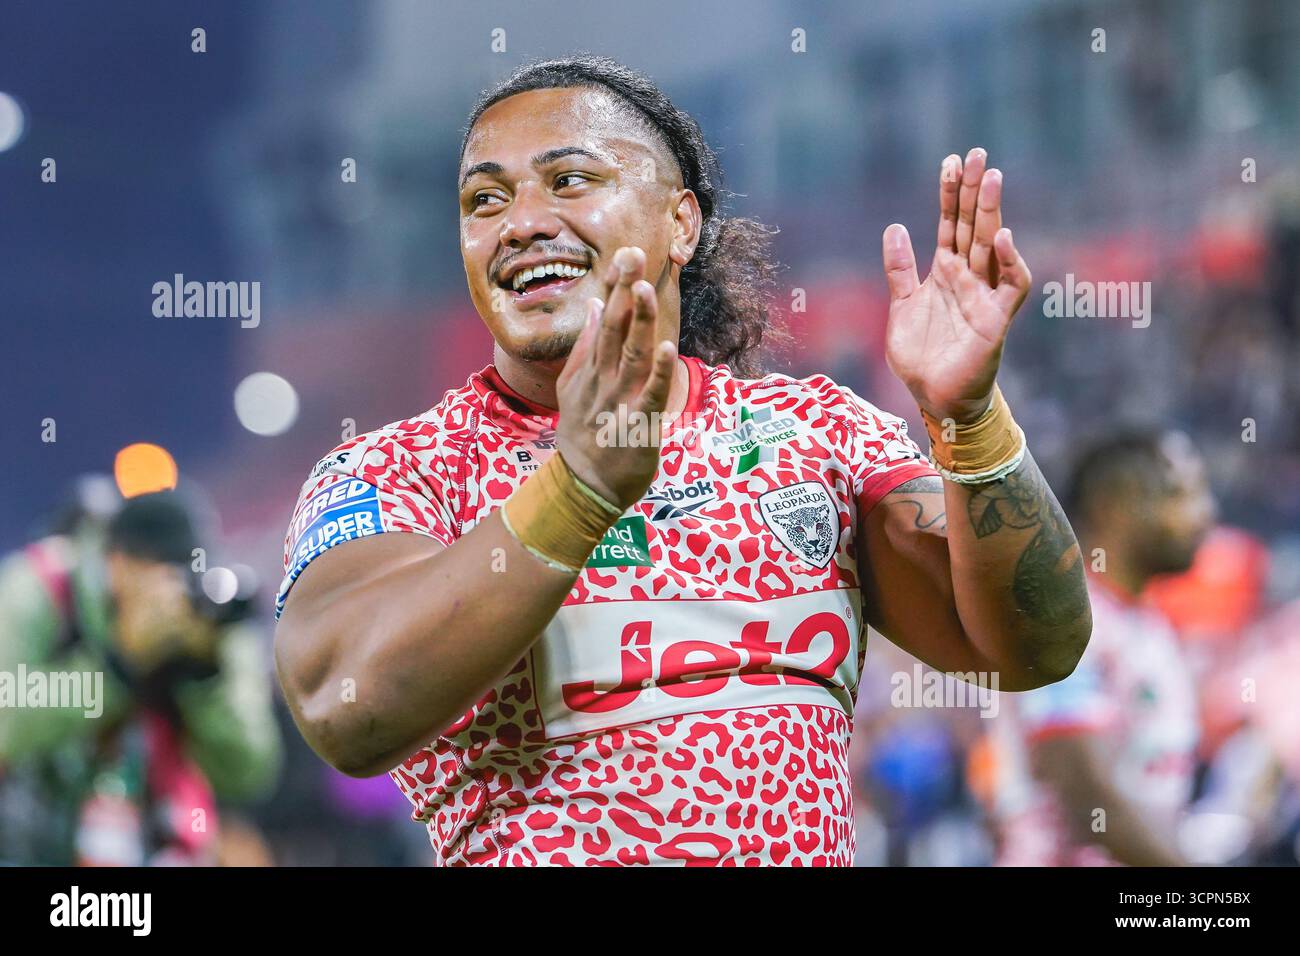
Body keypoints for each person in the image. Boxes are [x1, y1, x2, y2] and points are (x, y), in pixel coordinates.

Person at [273, 55, 1092, 866]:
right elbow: (346, 712)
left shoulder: (816, 435)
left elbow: (1030, 647)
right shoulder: (400, 472)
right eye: (485, 200)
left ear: (681, 224)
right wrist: (578, 490)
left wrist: (971, 419)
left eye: (568, 181)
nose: (519, 222)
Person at [0, 489, 281, 865]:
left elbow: (248, 773)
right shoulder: (40, 591)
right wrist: (120, 663)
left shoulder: (210, 617)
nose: (173, 599)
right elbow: (6, 726)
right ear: (117, 565)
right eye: (164, 575)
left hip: (152, 837)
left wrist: (203, 677)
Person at [992, 429, 1216, 866]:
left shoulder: (1145, 623)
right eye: (1179, 494)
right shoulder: (1062, 619)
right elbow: (1079, 786)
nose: (1204, 514)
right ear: (1114, 505)